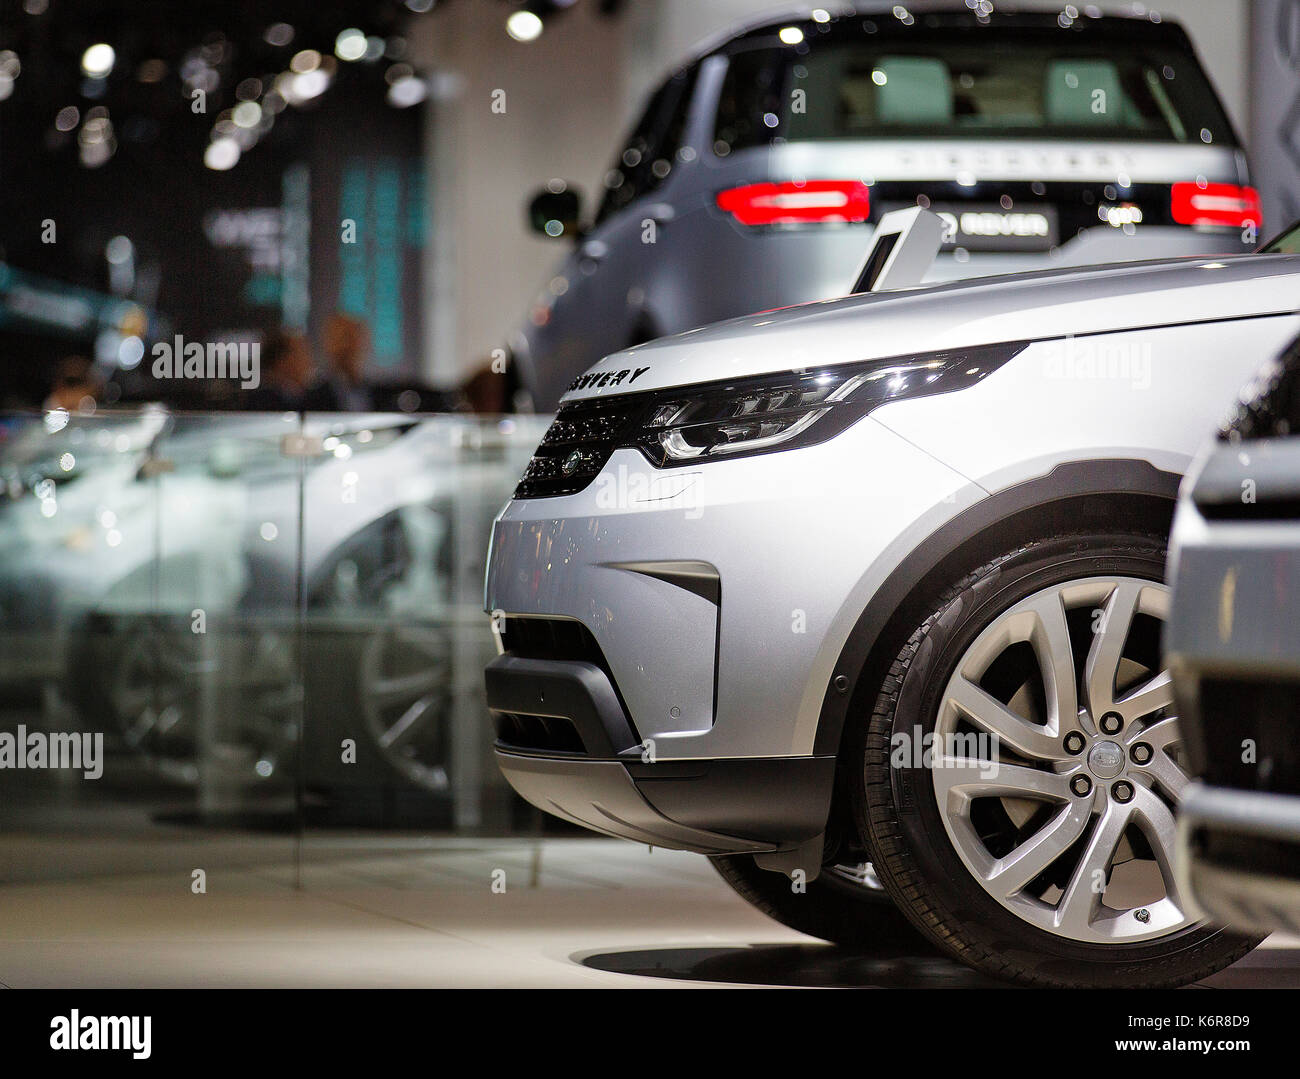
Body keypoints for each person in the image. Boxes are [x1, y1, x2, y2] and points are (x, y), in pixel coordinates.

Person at [304, 313, 374, 411]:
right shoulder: (315, 393)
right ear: (328, 344)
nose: (348, 346)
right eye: (343, 338)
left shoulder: (372, 391)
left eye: (354, 337)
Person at [242, 329, 313, 411]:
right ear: (282, 360)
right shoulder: (264, 398)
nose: (308, 359)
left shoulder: (301, 394)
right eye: (301, 352)